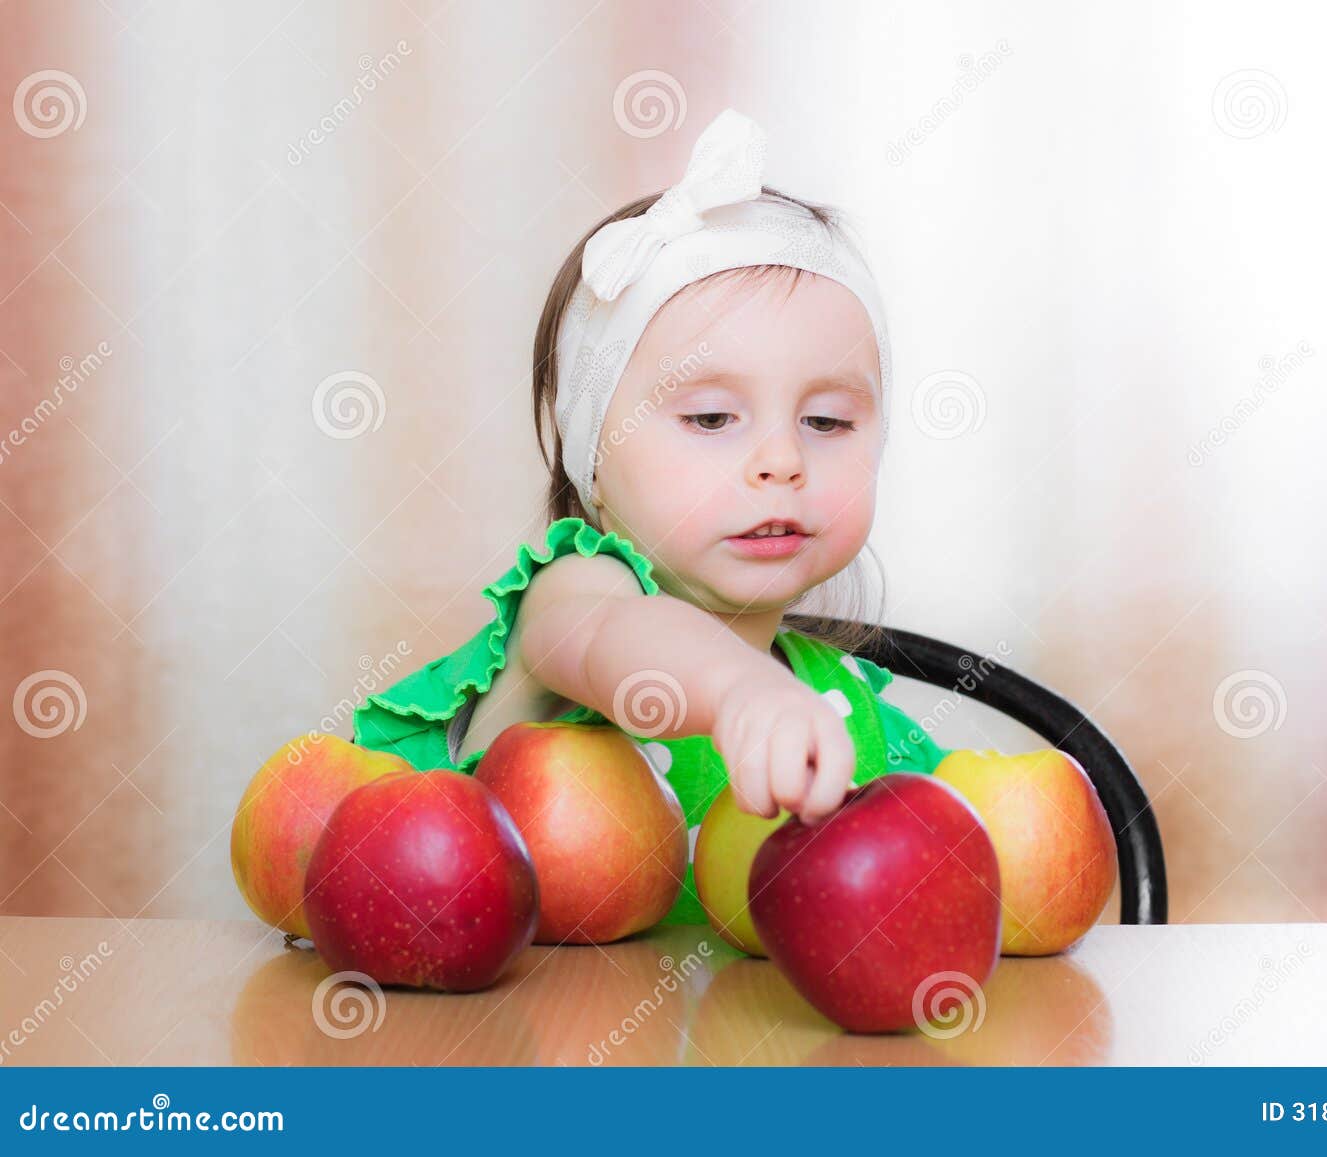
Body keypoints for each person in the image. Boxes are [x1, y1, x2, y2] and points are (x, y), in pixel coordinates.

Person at [350, 109, 948, 925]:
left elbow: (948, 877)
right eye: (710, 419)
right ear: (594, 456)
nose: (783, 461)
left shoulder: (846, 706)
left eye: (828, 422)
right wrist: (742, 692)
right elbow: (612, 643)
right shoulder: (575, 597)